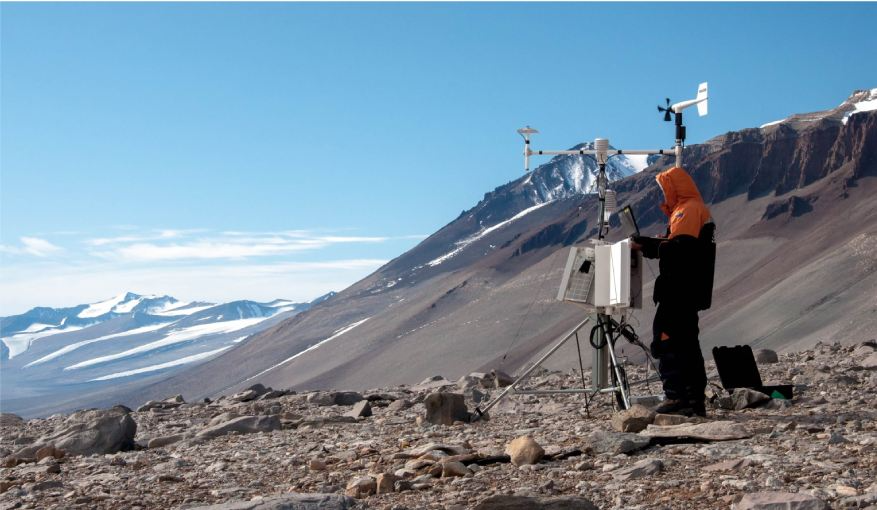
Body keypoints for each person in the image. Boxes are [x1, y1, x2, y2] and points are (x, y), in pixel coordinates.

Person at [631, 166, 715, 417]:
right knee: (687, 342)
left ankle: (678, 397)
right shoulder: (693, 209)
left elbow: (680, 250)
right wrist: (658, 243)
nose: (663, 193)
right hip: (687, 291)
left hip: (679, 290)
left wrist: (646, 244)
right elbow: (678, 246)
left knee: (669, 341)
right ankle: (692, 399)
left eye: (664, 187)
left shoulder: (687, 210)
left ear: (674, 186)